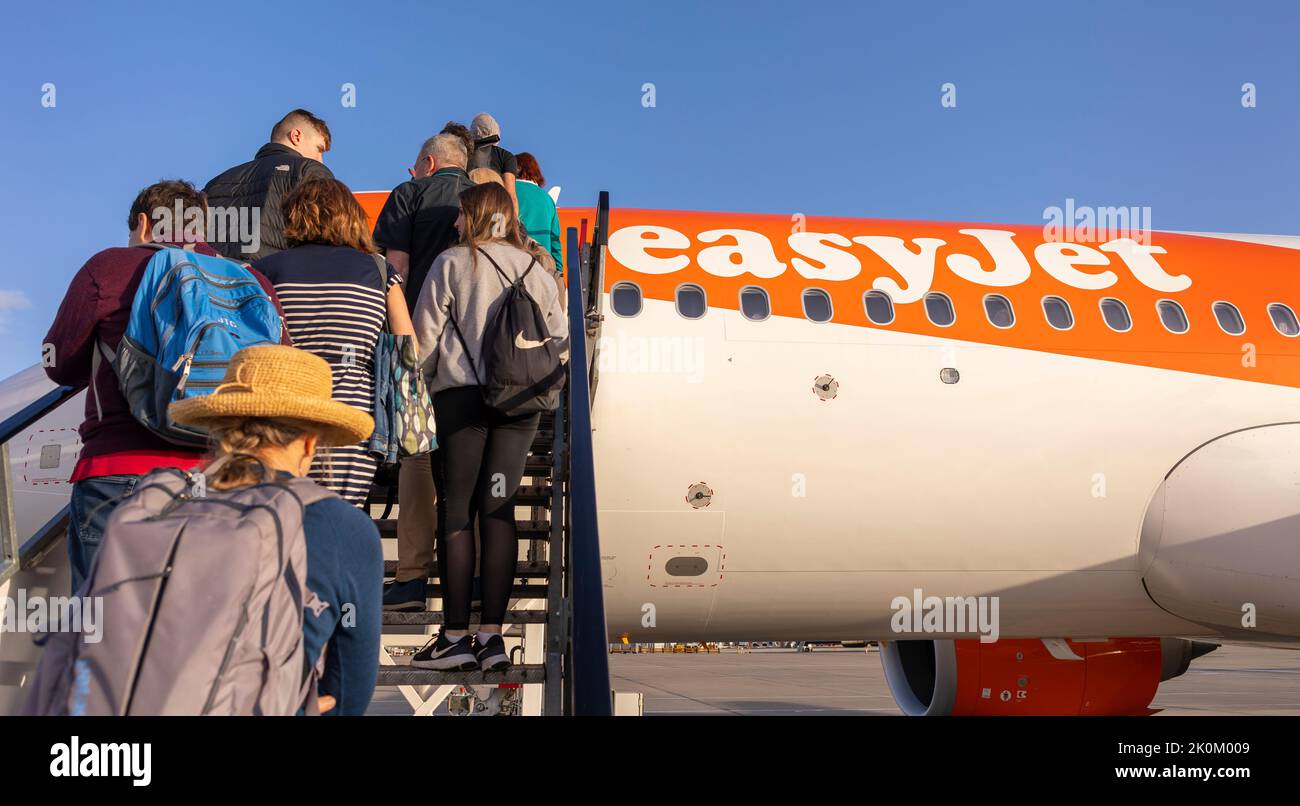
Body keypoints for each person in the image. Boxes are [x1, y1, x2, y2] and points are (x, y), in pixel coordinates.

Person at [43, 180, 289, 592]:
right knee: (209, 635)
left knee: (106, 640)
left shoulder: (107, 267)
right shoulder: (253, 282)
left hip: (118, 471)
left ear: (142, 223)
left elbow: (60, 362)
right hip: (222, 477)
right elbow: (280, 371)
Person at [169, 345, 382, 715]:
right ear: (311, 441)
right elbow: (350, 688)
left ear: (221, 431)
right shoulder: (344, 528)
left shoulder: (163, 507)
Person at [409, 182, 568, 671]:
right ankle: (492, 637)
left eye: (460, 215)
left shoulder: (452, 264)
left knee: (457, 510)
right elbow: (559, 340)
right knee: (500, 508)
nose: (455, 223)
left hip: (462, 403)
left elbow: (420, 346)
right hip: (519, 406)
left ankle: (454, 636)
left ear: (476, 217)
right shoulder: (536, 269)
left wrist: (429, 386)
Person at [253, 178, 413, 505]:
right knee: (343, 519)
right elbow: (408, 350)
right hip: (354, 419)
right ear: (350, 216)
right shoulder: (380, 271)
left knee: (283, 518)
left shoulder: (265, 271)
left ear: (295, 217)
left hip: (288, 414)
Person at [374, 133, 475, 611]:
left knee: (416, 457)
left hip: (416, 343)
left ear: (428, 163)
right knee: (467, 465)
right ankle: (469, 580)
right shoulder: (478, 201)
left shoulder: (408, 194)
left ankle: (412, 578)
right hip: (472, 355)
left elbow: (394, 271)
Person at [203, 109, 334, 261]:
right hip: (272, 279)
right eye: (319, 149)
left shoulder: (215, 183)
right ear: (296, 136)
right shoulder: (309, 170)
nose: (321, 160)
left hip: (215, 279)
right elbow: (330, 236)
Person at [514, 152, 564, 274]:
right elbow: (555, 239)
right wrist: (559, 272)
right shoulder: (547, 199)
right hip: (542, 266)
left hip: (513, 262)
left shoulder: (507, 190)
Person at [468, 113, 518, 212]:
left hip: (468, 208)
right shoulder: (506, 156)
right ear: (496, 131)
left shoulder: (463, 154)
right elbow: (510, 196)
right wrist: (514, 223)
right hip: (494, 211)